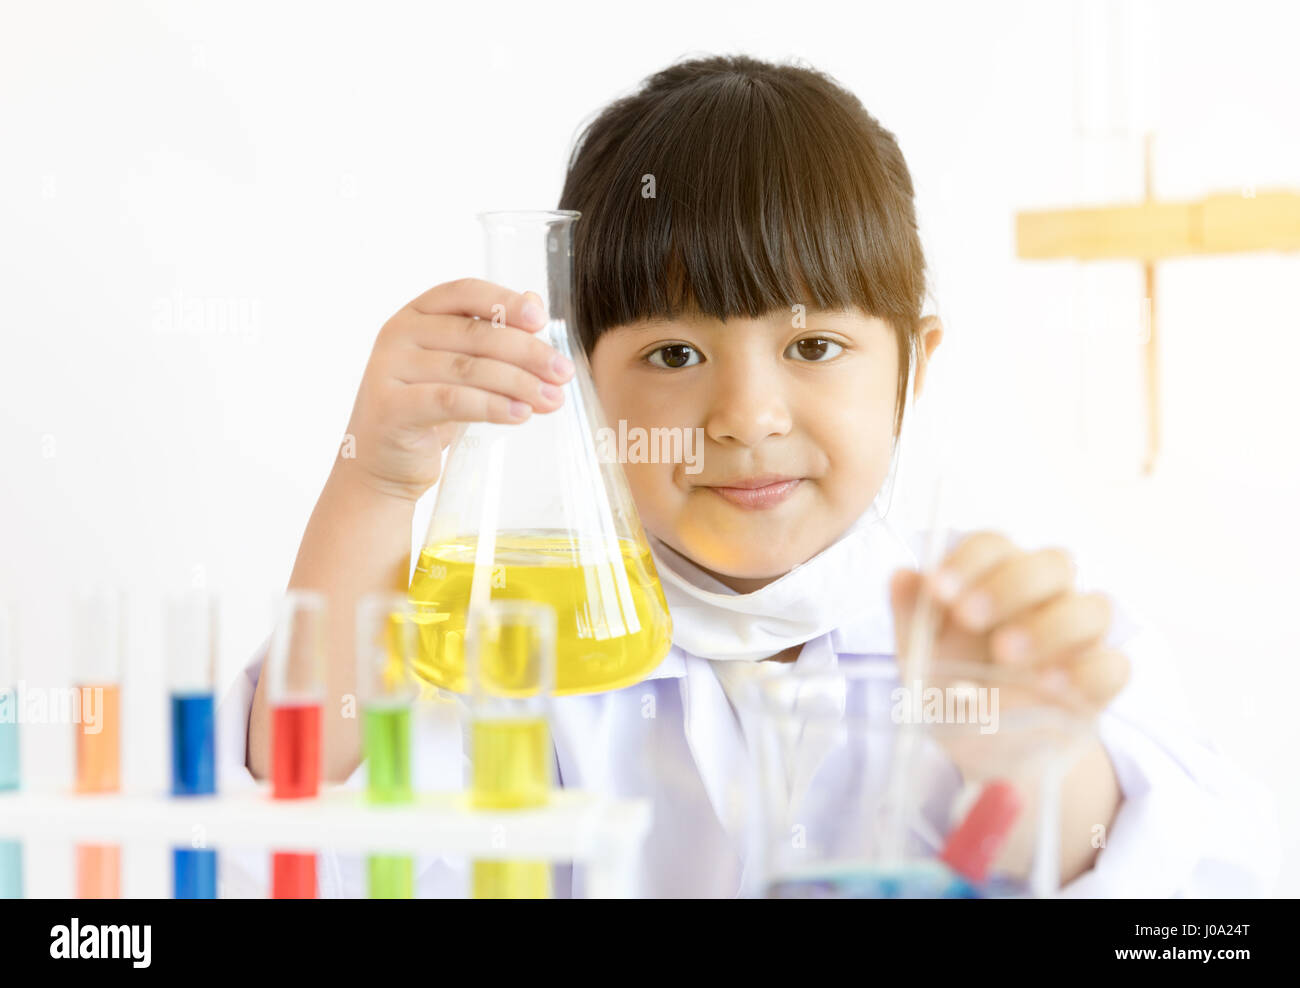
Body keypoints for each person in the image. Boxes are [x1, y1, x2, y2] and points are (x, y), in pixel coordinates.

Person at [217, 54, 1277, 898]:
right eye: (673, 356)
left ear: (916, 366)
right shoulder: (515, 636)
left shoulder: (1013, 633)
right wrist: (381, 482)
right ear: (582, 390)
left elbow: (1190, 911)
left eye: (814, 347)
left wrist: (1032, 765)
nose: (746, 416)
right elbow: (304, 821)